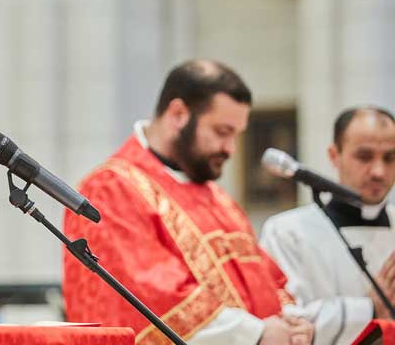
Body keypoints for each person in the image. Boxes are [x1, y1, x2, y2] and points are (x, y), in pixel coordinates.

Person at [62, 60, 315, 344]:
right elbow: (149, 297)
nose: (230, 149)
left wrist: (292, 319)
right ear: (179, 114)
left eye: (236, 135)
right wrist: (255, 335)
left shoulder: (216, 198)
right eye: (222, 132)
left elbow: (265, 275)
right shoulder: (111, 189)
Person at [260, 106, 395, 344]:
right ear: (334, 155)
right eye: (364, 156)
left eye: (390, 158)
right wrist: (368, 309)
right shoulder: (287, 233)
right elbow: (282, 323)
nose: (378, 171)